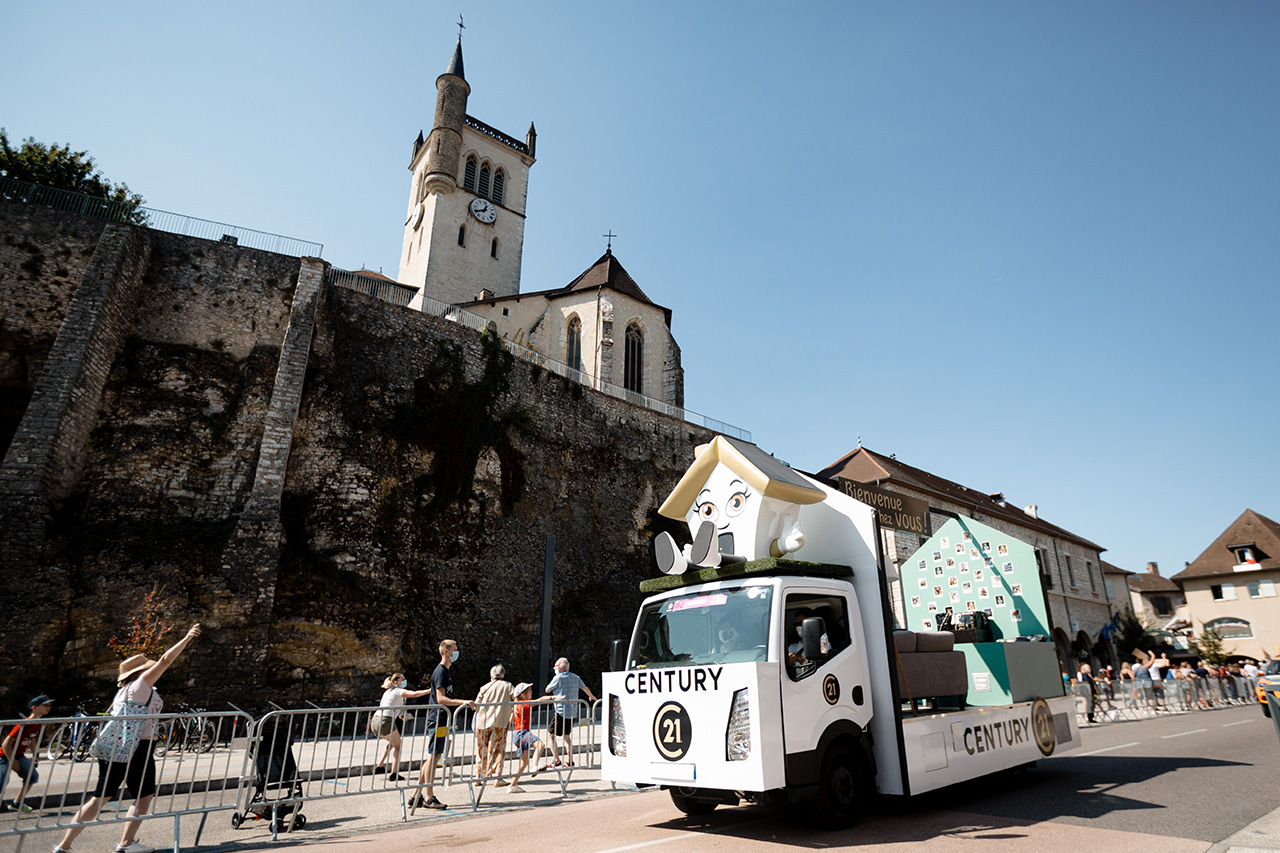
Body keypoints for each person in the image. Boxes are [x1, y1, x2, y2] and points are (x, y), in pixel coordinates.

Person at [54, 623, 201, 853]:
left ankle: (65, 846)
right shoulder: (140, 686)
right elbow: (165, 660)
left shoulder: (125, 690)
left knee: (104, 796)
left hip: (119, 747)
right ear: (139, 672)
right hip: (137, 749)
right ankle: (124, 843)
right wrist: (186, 638)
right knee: (140, 796)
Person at [409, 640, 475, 812]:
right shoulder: (441, 672)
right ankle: (428, 797)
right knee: (434, 756)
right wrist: (464, 702)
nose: (457, 651)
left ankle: (417, 794)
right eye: (455, 649)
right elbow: (441, 699)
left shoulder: (445, 671)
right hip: (438, 718)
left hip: (441, 719)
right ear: (446, 651)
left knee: (434, 756)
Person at [370, 672, 433, 781]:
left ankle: (379, 767)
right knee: (398, 746)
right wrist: (429, 691)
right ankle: (394, 774)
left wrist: (402, 715)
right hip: (386, 721)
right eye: (402, 679)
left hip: (375, 721)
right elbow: (414, 694)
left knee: (392, 743)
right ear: (396, 682)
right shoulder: (399, 691)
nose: (404, 681)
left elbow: (391, 705)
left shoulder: (388, 692)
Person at [505, 683, 562, 794]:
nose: (531, 692)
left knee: (523, 763)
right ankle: (534, 766)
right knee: (540, 745)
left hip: (517, 733)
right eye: (530, 691)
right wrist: (553, 697)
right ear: (523, 695)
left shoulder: (517, 705)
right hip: (522, 733)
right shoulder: (525, 703)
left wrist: (522, 717)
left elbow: (511, 720)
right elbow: (540, 700)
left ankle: (512, 786)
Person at [0, 694, 53, 813]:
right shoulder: (23, 724)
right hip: (5, 756)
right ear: (34, 707)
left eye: (49, 705)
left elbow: (32, 739)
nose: (48, 707)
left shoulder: (38, 723)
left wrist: (35, 754)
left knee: (32, 776)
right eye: (45, 705)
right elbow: (6, 744)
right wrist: (12, 760)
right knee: (2, 782)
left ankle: (16, 803)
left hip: (19, 755)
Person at [544, 658, 597, 768]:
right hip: (573, 712)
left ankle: (557, 760)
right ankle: (570, 760)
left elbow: (547, 690)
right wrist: (591, 696)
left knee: (550, 735)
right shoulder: (575, 677)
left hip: (560, 711)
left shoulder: (558, 678)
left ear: (562, 668)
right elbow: (584, 687)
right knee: (566, 736)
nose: (554, 668)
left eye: (556, 666)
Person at [473, 665, 515, 785]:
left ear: (491, 675)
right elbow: (515, 698)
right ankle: (498, 777)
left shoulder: (485, 687)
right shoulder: (508, 686)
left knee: (481, 750)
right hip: (500, 722)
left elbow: (477, 704)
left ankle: (478, 776)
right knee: (498, 749)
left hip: (482, 722)